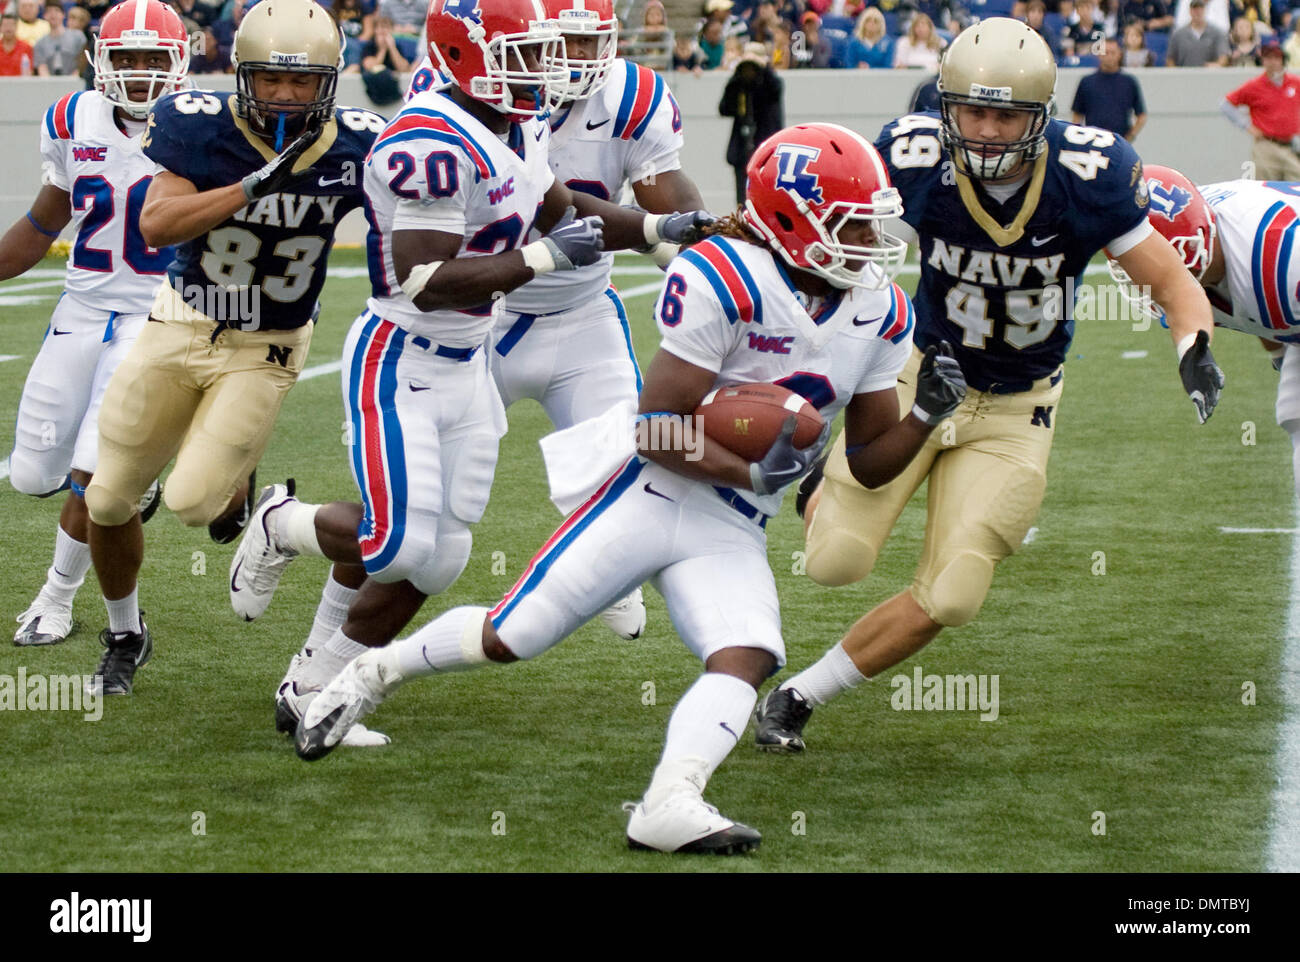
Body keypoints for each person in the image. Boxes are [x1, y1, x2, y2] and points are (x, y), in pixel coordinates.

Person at [293, 122, 971, 857]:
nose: (870, 240)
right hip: (647, 495)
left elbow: (870, 461)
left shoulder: (882, 310)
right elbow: (653, 430)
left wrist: (927, 417)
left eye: (871, 221)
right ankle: (374, 668)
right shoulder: (724, 276)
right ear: (788, 218)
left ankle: (669, 801)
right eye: (849, 223)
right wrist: (748, 468)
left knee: (748, 652)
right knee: (511, 637)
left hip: (733, 522)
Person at [228, 0, 712, 743]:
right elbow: (424, 277)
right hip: (401, 358)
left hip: (466, 365)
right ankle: (282, 524)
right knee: (397, 545)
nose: (540, 70)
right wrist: (545, 260)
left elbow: (557, 207)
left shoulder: (517, 122)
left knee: (441, 558)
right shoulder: (427, 138)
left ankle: (316, 686)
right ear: (464, 57)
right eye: (521, 54)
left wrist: (652, 228)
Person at [752, 17, 1222, 754]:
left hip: (1018, 406)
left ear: (1041, 116)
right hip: (921, 377)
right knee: (834, 562)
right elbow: (834, 257)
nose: (987, 130)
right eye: (972, 110)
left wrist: (1193, 346)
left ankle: (801, 693)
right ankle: (820, 487)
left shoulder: (1088, 176)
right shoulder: (913, 160)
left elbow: (1171, 280)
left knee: (956, 592)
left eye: (1006, 114)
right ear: (946, 105)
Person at [79, 0, 385, 696]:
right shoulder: (199, 125)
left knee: (190, 502)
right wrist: (247, 188)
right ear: (241, 75)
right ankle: (126, 633)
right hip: (181, 321)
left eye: (301, 81)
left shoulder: (356, 144)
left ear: (329, 82)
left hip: (268, 343)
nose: (283, 94)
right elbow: (156, 225)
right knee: (106, 501)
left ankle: (260, 502)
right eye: (269, 79)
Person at [2, 0, 185, 650]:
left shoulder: (203, 126)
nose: (140, 71)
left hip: (156, 318)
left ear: (180, 61)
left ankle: (56, 597)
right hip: (78, 314)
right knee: (30, 475)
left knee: (94, 478)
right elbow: (43, 224)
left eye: (153, 58)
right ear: (100, 62)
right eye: (127, 58)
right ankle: (143, 473)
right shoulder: (71, 118)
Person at [1109, 168, 1300, 498]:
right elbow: (1258, 313)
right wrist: (1279, 353)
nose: (1148, 282)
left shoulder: (1284, 258)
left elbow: (1262, 293)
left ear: (1195, 248)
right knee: (1293, 411)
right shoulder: (1199, 248)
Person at [1222, 39, 1300, 181]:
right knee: (1267, 189)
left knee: (1295, 187)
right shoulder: (1255, 85)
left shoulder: (1295, 83)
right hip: (1266, 145)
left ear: (1283, 59)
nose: (1273, 62)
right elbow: (1226, 105)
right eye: (1268, 57)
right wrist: (1247, 126)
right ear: (1263, 60)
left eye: (1276, 57)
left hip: (1290, 146)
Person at [719, 40, 783, 204]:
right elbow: (725, 108)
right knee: (742, 198)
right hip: (742, 148)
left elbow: (773, 91)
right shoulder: (739, 84)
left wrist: (763, 68)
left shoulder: (770, 82)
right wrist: (738, 75)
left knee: (766, 195)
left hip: (765, 147)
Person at [1071, 37, 1147, 141]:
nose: (1109, 57)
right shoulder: (1087, 82)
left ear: (1119, 54)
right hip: (1092, 142)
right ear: (1099, 55)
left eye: (1113, 53)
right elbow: (1077, 115)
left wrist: (1130, 137)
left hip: (1119, 142)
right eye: (1106, 53)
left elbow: (1141, 115)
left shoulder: (1129, 82)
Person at [33, 1, 87, 76]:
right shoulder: (40, 44)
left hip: (76, 82)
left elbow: (82, 63)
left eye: (56, 10)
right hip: (50, 85)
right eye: (49, 11)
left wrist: (73, 80)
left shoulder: (78, 37)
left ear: (63, 14)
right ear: (44, 16)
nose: (53, 14)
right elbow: (42, 69)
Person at [1167, 0, 1229, 65]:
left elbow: (1223, 56)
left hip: (1208, 73)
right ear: (1190, 11)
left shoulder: (1217, 33)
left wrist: (1217, 65)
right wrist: (1175, 74)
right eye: (1195, 9)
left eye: (1201, 9)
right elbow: (1170, 59)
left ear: (1205, 10)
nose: (1198, 12)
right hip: (1185, 72)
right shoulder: (1178, 34)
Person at [0, 10, 35, 76]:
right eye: (5, 25)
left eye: (11, 25)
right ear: (0, 28)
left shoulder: (26, 47)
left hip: (21, 84)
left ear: (16, 27)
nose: (8, 28)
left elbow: (30, 72)